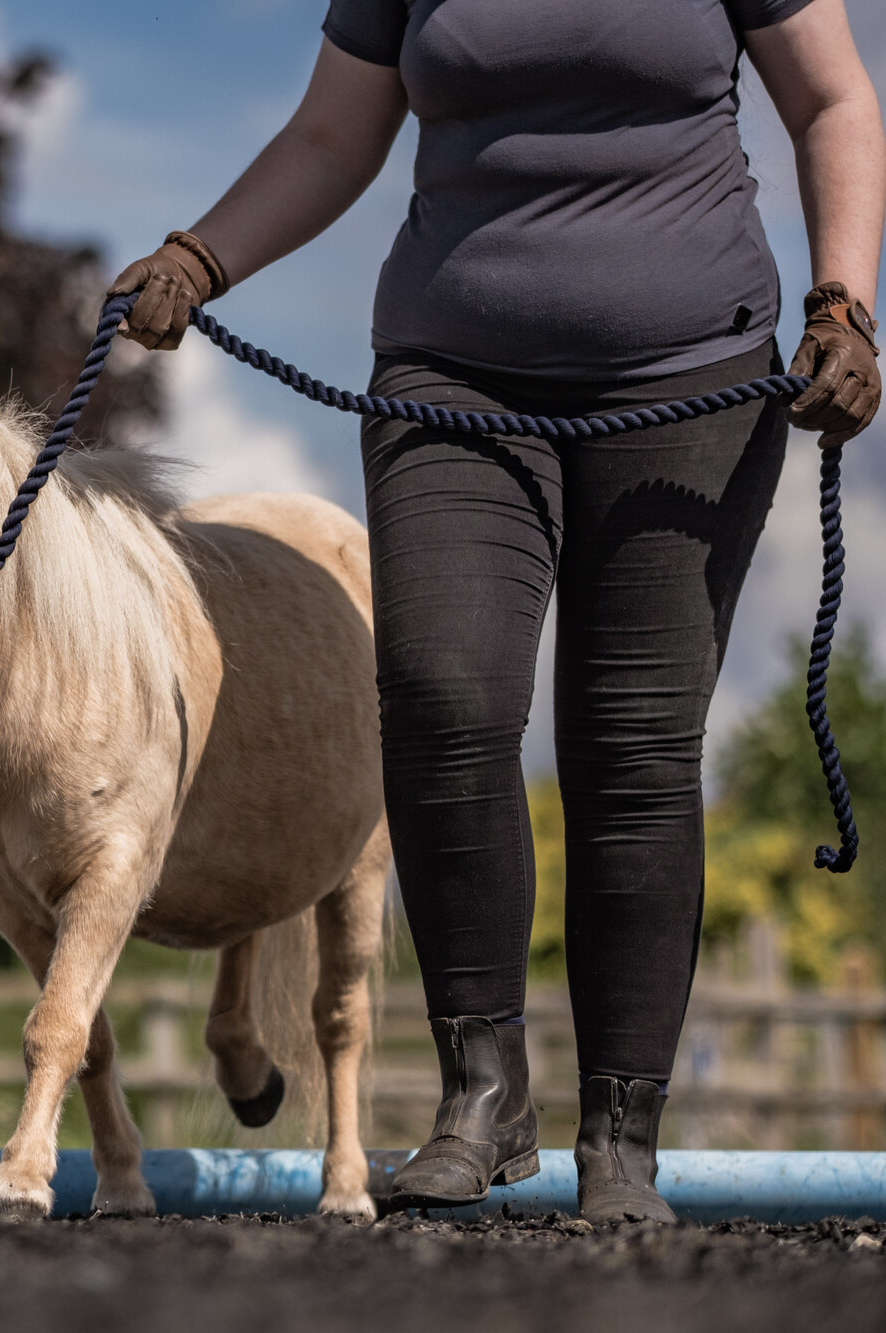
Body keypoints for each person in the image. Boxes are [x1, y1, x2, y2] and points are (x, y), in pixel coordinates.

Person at [111, 0, 884, 1224]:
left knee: (629, 749)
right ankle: (482, 1094)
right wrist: (196, 257)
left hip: (687, 383)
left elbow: (832, 99)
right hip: (449, 378)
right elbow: (328, 137)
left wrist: (843, 302)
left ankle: (622, 1137)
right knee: (439, 695)